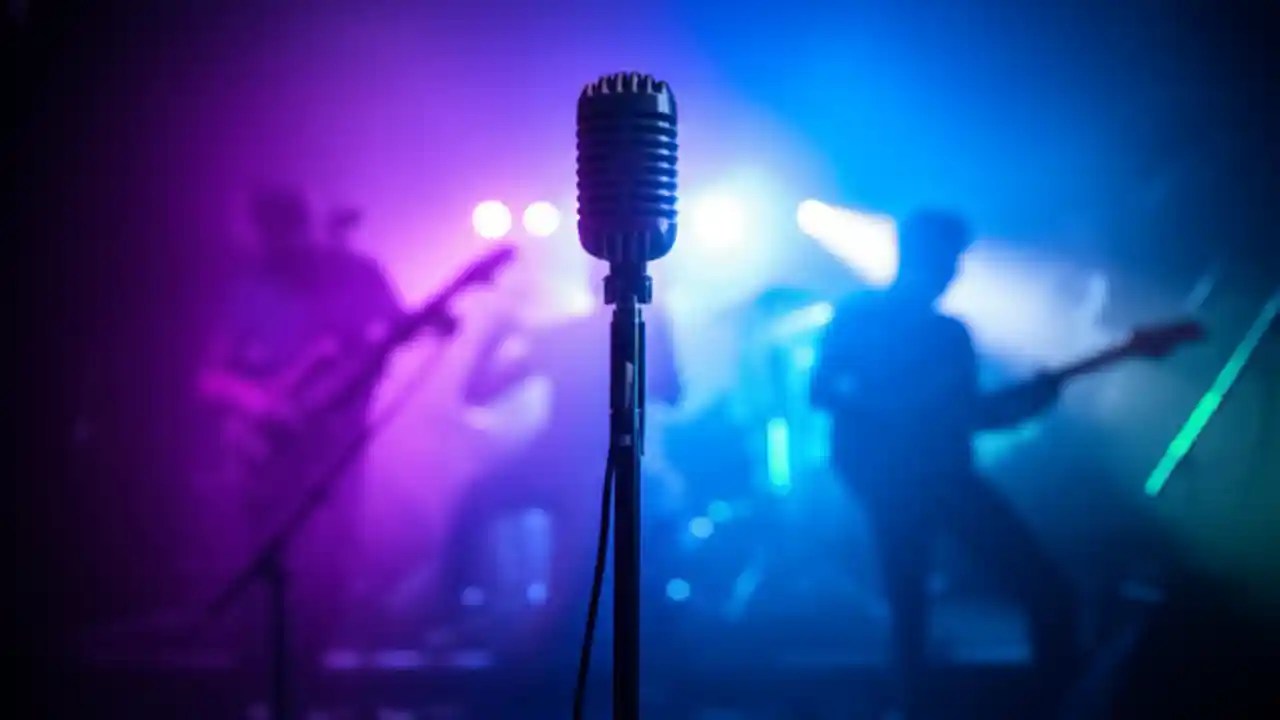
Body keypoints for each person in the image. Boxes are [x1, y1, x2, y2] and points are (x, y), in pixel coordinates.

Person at [811, 210, 1078, 718]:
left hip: (919, 478)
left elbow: (967, 415)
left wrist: (1035, 397)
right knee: (1028, 591)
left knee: (911, 606)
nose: (954, 271)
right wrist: (901, 414)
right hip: (918, 480)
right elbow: (825, 390)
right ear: (927, 257)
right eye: (950, 259)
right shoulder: (879, 319)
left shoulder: (936, 331)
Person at [197, 187, 401, 666]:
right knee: (266, 556)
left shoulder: (356, 274)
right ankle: (259, 664)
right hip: (268, 449)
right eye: (271, 230)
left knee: (331, 553)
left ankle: (316, 665)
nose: (284, 243)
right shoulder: (249, 287)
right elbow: (208, 377)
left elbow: (397, 328)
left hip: (334, 442)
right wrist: (260, 401)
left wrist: (372, 358)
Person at [436, 263, 682, 658]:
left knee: (579, 578)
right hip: (577, 462)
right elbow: (671, 392)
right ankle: (455, 612)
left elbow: (477, 394)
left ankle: (455, 611)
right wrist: (495, 336)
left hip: (593, 466)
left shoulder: (571, 337)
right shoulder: (575, 337)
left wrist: (496, 337)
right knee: (479, 499)